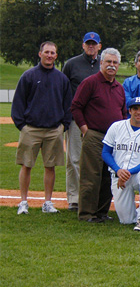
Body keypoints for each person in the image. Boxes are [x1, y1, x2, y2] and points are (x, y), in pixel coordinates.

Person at [12, 41, 72, 215]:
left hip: (54, 130)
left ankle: (48, 202)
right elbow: (18, 103)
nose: (49, 55)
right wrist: (22, 126)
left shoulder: (61, 79)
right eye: (47, 52)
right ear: (40, 54)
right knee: (26, 165)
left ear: (56, 56)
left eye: (53, 53)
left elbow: (68, 105)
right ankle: (23, 201)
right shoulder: (29, 75)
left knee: (50, 167)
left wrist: (63, 126)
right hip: (31, 129)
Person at [70, 48, 126, 223]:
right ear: (101, 63)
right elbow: (76, 106)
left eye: (114, 63)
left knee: (107, 176)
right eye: (108, 62)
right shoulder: (90, 83)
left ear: (118, 65)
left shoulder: (119, 88)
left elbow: (123, 113)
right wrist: (85, 129)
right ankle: (87, 213)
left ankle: (101, 212)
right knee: (91, 176)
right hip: (94, 135)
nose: (111, 66)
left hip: (113, 139)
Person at [101, 97, 140, 231]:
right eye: (135, 109)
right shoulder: (116, 127)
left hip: (137, 175)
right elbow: (105, 153)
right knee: (126, 220)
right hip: (118, 175)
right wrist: (118, 170)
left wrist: (127, 172)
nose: (138, 112)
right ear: (129, 111)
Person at [62, 31, 102, 211]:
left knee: (97, 159)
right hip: (76, 119)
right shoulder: (71, 64)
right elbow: (64, 91)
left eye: (94, 43)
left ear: (99, 46)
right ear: (83, 45)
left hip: (97, 119)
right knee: (74, 158)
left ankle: (94, 196)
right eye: (88, 43)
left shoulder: (104, 62)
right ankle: (74, 198)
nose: (91, 46)